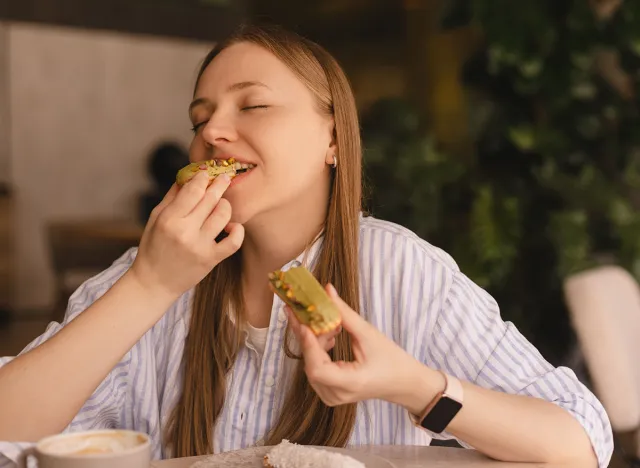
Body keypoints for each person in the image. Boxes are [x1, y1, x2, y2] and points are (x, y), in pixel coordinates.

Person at [0, 23, 612, 468]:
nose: (211, 131)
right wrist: (150, 286)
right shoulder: (146, 277)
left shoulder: (402, 270)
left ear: (334, 140)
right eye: (199, 118)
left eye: (254, 105)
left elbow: (579, 442)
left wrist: (414, 386)